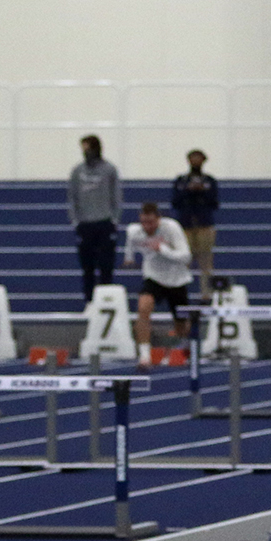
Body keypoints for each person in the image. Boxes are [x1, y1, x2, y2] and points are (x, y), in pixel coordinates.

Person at [124, 202, 192, 370]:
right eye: (144, 223)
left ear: (159, 220)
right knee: (143, 308)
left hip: (177, 279)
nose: (148, 227)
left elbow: (186, 257)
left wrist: (162, 249)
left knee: (181, 324)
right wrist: (129, 258)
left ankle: (186, 349)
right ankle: (145, 356)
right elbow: (129, 248)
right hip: (153, 277)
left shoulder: (171, 228)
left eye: (151, 223)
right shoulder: (134, 232)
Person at [69, 135, 122, 302]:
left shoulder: (109, 169)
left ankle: (105, 300)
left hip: (105, 222)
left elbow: (117, 195)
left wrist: (114, 219)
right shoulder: (77, 171)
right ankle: (89, 301)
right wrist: (76, 221)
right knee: (87, 267)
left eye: (88, 148)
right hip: (85, 224)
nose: (85, 152)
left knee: (106, 265)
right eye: (83, 149)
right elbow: (72, 197)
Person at [172, 149, 221, 300]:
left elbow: (215, 203)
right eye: (193, 158)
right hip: (185, 226)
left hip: (204, 225)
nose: (195, 161)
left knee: (206, 263)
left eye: (198, 158)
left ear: (204, 160)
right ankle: (180, 294)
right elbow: (175, 202)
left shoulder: (210, 181)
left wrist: (201, 192)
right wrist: (188, 190)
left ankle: (206, 295)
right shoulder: (181, 181)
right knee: (183, 261)